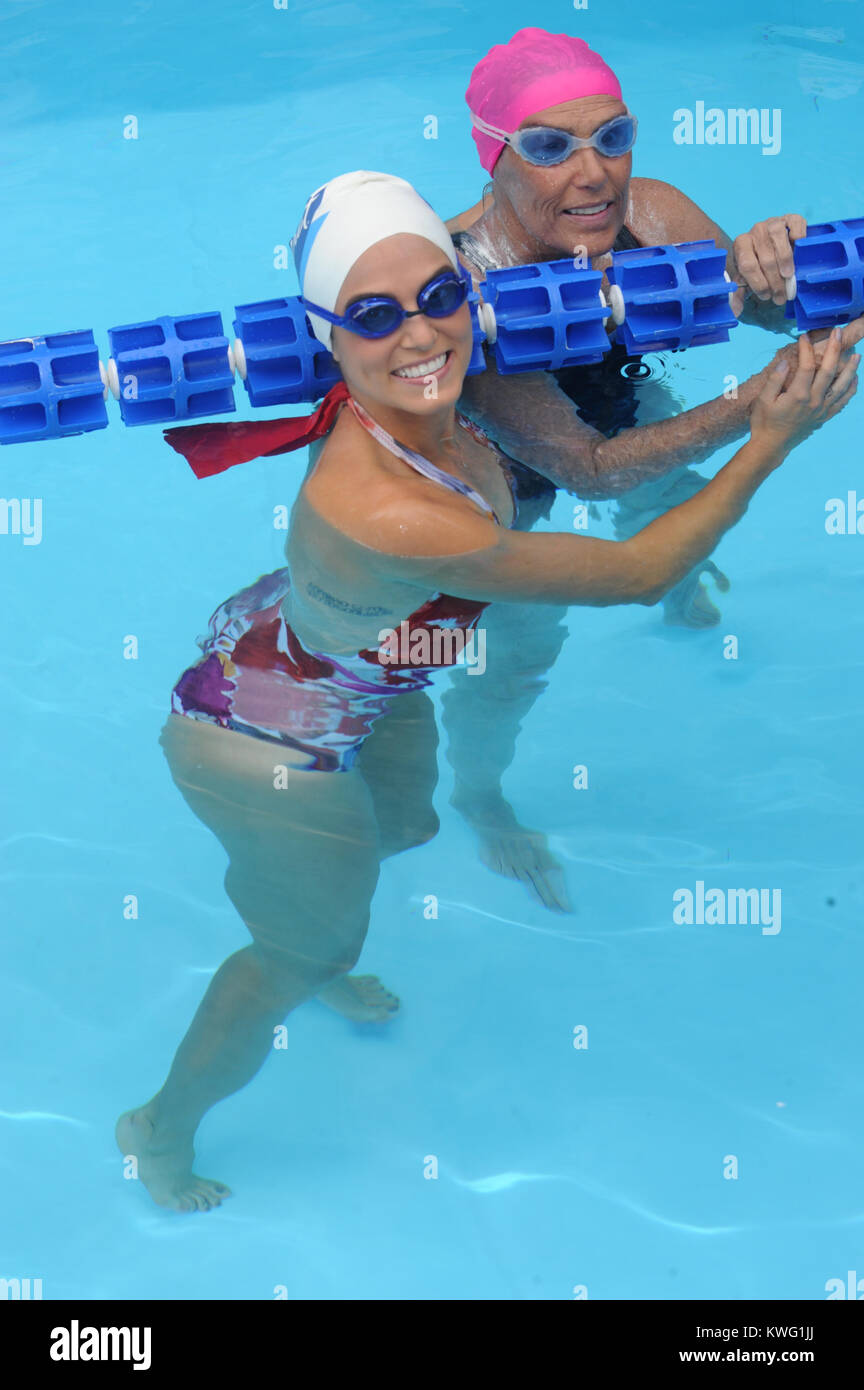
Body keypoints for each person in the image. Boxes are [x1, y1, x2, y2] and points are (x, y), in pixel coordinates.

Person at [115, 171, 857, 1211]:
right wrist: (772, 437)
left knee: (408, 825)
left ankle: (299, 910)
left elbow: (633, 296)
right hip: (261, 737)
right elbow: (638, 573)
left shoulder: (442, 389)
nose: (420, 334)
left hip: (342, 665)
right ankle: (161, 1125)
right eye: (374, 315)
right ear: (328, 334)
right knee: (309, 938)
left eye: (439, 297)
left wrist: (777, 277)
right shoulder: (391, 506)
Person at [438, 26, 864, 903]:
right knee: (518, 653)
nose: (593, 173)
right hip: (495, 471)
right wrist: (758, 408)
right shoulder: (453, 286)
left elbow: (784, 323)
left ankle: (678, 589)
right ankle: (481, 797)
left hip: (620, 400)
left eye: (614, 137)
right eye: (551, 147)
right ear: (496, 156)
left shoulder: (655, 218)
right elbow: (589, 470)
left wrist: (773, 260)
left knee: (679, 499)